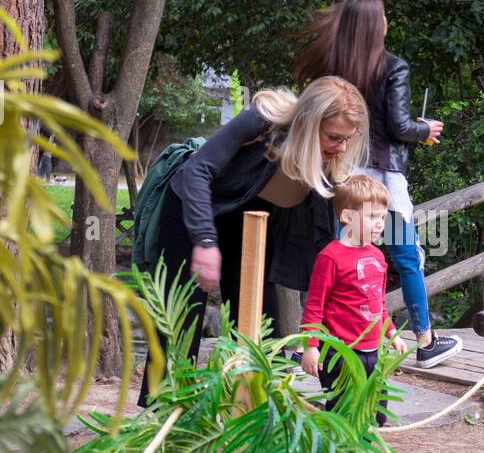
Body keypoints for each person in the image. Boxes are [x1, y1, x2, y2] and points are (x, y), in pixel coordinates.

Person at [141, 76, 369, 404]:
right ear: (308, 123)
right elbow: (198, 171)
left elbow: (325, 244)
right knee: (179, 323)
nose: (342, 147)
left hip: (247, 221)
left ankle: (254, 415)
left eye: (349, 139)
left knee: (263, 326)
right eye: (334, 137)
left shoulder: (328, 161)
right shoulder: (263, 120)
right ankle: (162, 416)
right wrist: (204, 241)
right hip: (191, 209)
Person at [293, 0, 463, 369]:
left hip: (343, 173)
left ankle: (319, 341)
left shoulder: (331, 67)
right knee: (407, 257)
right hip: (384, 181)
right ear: (375, 26)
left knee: (336, 257)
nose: (387, 22)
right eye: (383, 16)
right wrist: (425, 129)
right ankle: (425, 340)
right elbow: (399, 126)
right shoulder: (393, 66)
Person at [300, 174, 408, 426]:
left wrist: (392, 333)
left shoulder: (378, 257)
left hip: (373, 350)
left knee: (375, 413)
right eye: (372, 217)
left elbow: (378, 304)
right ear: (348, 217)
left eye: (382, 217)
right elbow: (314, 306)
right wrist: (311, 346)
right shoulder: (330, 257)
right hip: (340, 352)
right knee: (343, 411)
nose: (380, 224)